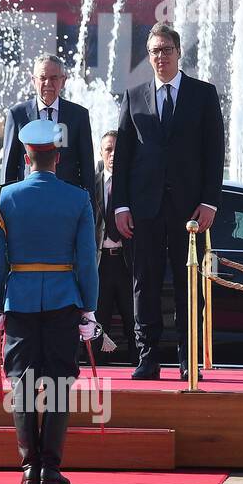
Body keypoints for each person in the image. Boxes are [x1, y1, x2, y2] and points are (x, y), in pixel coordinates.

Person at [0, 120, 99, 484]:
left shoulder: (3, 198)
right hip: (64, 299)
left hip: (18, 300)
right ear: (58, 157)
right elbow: (86, 260)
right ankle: (50, 465)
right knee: (60, 382)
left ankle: (28, 465)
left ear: (25, 155)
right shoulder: (78, 198)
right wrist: (89, 308)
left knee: (23, 383)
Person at [113, 23, 224, 380]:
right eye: (154, 51)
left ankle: (188, 357)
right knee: (143, 283)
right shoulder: (134, 96)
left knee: (187, 283)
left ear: (178, 52)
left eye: (166, 50)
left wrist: (210, 201)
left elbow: (214, 152)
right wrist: (121, 206)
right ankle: (147, 357)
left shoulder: (203, 95)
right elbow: (124, 156)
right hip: (144, 209)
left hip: (190, 211)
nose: (160, 57)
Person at [1, 54, 96, 206]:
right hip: (27, 201)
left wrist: (88, 207)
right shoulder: (17, 115)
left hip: (66, 202)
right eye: (43, 78)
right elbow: (9, 167)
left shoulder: (78, 115)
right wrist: (5, 205)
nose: (48, 83)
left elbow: (87, 167)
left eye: (54, 78)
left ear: (63, 80)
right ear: (33, 80)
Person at [94, 130, 135, 366]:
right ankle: (97, 372)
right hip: (101, 263)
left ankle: (141, 369)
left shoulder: (133, 184)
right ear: (101, 153)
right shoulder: (93, 183)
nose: (113, 154)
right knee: (99, 323)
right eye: (108, 149)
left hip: (127, 262)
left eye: (117, 149)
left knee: (133, 321)